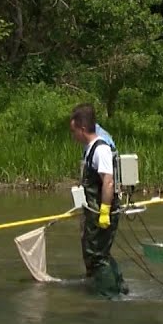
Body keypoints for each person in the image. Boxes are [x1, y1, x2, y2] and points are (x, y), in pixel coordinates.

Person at [69, 104, 126, 297]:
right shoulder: (90, 148)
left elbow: (108, 183)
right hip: (93, 211)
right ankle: (119, 286)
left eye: (74, 130)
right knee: (100, 253)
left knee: (97, 256)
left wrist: (104, 212)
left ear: (83, 129)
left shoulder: (100, 149)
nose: (73, 135)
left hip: (102, 213)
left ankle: (110, 295)